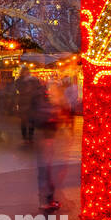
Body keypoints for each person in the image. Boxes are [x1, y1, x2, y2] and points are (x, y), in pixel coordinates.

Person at [31, 76, 62, 210]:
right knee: (45, 169)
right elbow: (45, 115)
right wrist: (53, 114)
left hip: (41, 135)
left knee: (43, 169)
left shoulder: (34, 97)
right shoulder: (42, 98)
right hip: (45, 136)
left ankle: (45, 199)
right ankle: (46, 200)